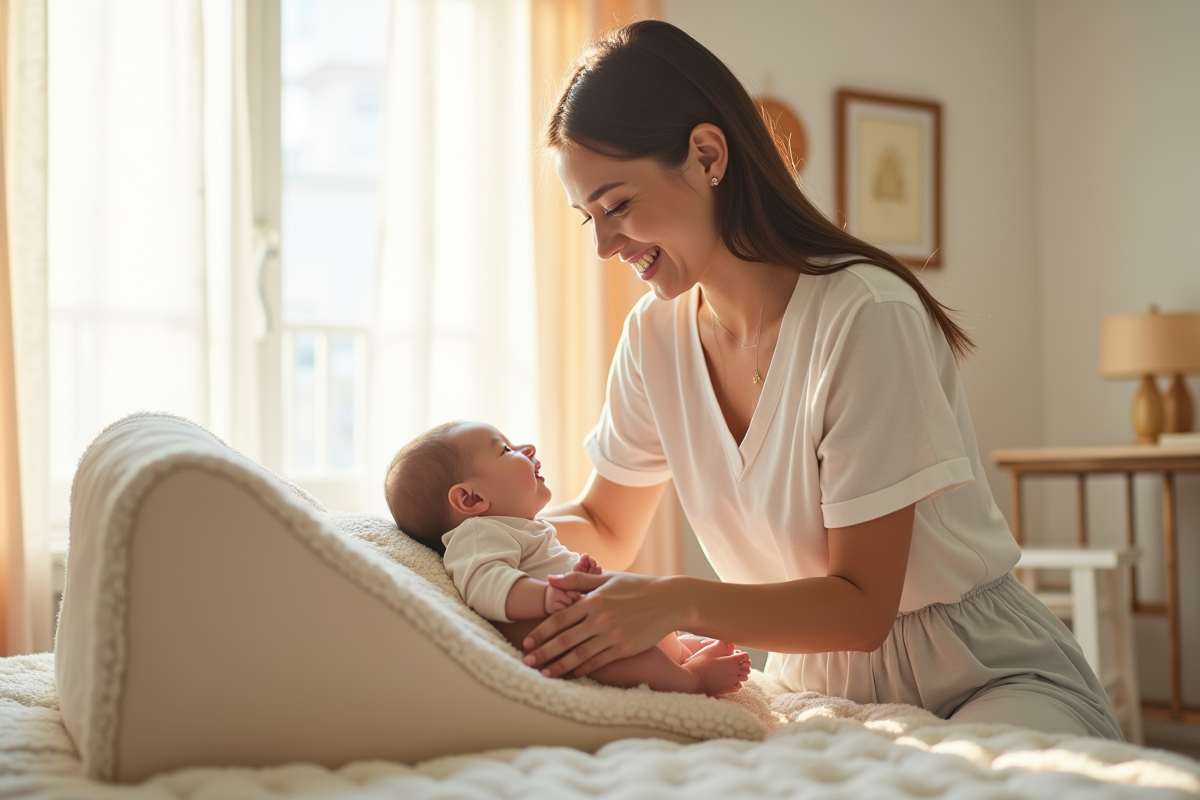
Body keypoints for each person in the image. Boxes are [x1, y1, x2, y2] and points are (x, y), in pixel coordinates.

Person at [520, 19, 1122, 739]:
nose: (603, 245)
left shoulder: (864, 315)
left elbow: (863, 606)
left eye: (616, 206)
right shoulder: (654, 340)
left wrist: (675, 599)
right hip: (808, 685)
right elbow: (607, 524)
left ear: (707, 154)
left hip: (983, 674)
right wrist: (475, 540)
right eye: (587, 217)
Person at [383, 419, 753, 696]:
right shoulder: (476, 536)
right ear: (471, 500)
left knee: (642, 624)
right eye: (505, 450)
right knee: (632, 658)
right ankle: (693, 679)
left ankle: (679, 649)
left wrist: (581, 575)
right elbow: (486, 582)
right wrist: (542, 596)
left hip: (590, 626)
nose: (526, 448)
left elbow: (543, 568)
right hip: (574, 645)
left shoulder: (518, 530)